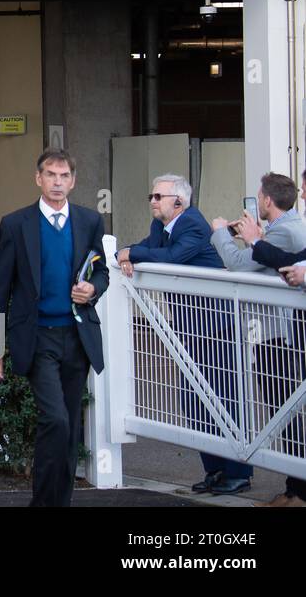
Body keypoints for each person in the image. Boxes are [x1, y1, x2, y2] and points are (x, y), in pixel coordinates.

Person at [0, 148, 108, 507]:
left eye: (64, 175)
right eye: (50, 175)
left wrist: (93, 288)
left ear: (73, 180)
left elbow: (100, 271)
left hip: (77, 336)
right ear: (38, 178)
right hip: (37, 338)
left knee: (68, 430)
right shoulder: (16, 224)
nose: (57, 182)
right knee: (56, 421)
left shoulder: (89, 222)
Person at [117, 173, 248, 495]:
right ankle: (215, 469)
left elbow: (173, 257)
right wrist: (128, 250)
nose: (152, 201)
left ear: (178, 201)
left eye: (158, 197)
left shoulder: (193, 224)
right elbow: (147, 248)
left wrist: (132, 254)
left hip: (216, 326)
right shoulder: (159, 227)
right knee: (195, 401)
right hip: (189, 327)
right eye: (152, 196)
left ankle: (239, 473)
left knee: (224, 397)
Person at [236, 170, 306, 507]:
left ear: (265, 199)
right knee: (288, 411)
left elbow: (241, 265)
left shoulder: (291, 229)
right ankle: (296, 489)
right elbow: (289, 263)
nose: (302, 197)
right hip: (288, 334)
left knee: (289, 412)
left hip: (284, 336)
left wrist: (249, 241)